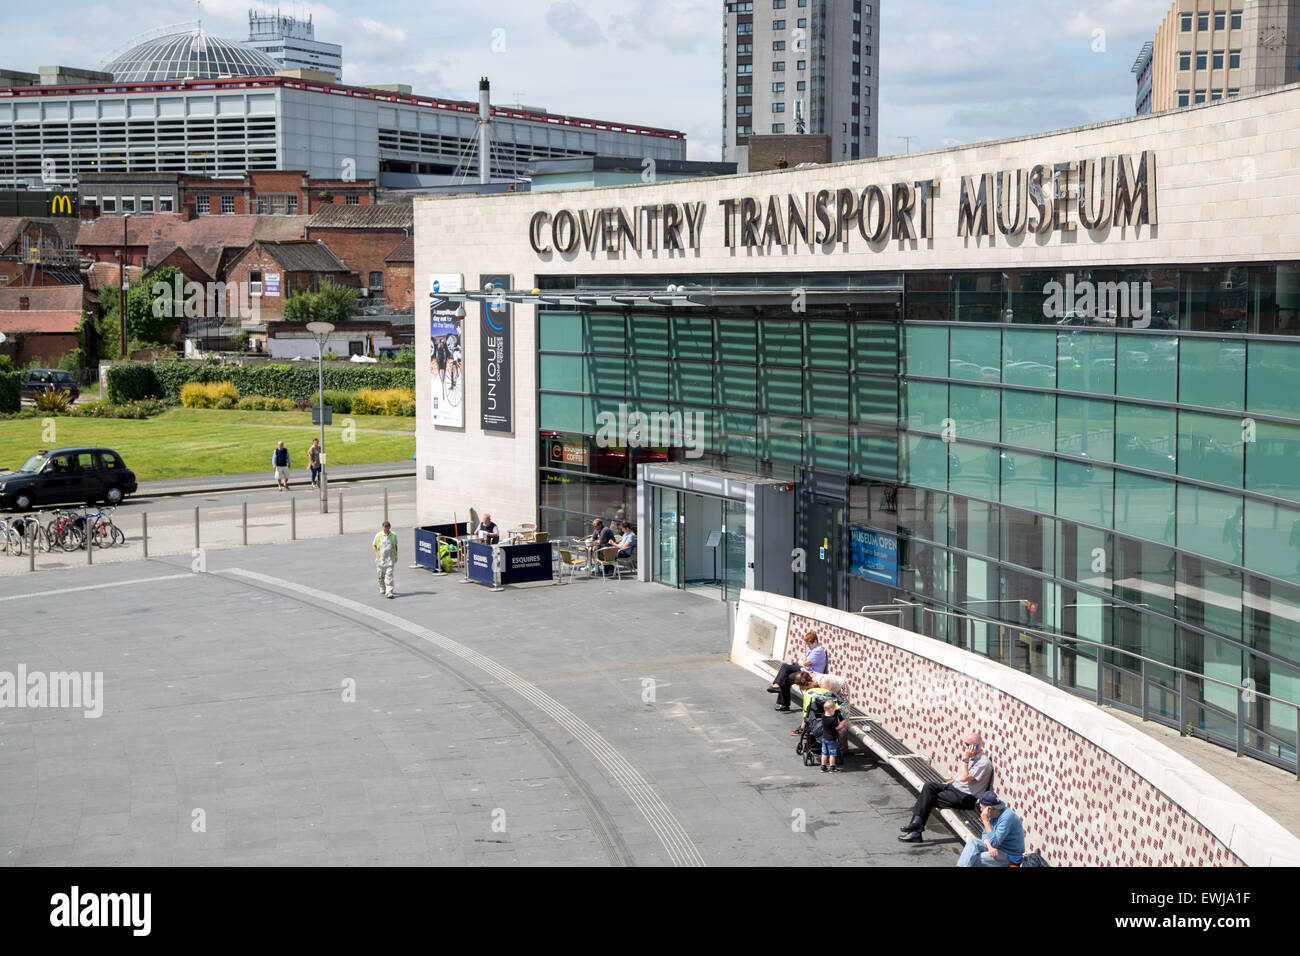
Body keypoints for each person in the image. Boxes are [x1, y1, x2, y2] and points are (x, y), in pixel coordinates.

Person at [898, 731, 993, 843]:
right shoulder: (973, 757)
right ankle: (916, 826)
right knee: (929, 786)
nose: (966, 748)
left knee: (928, 798)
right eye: (965, 744)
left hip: (965, 797)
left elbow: (964, 778)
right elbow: (960, 778)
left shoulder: (983, 763)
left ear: (977, 745)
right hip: (955, 789)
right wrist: (950, 782)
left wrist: (965, 759)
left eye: (968, 745)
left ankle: (916, 829)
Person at [956, 791, 1025, 867]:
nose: (981, 811)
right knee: (973, 842)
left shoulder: (1007, 818)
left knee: (974, 858)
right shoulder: (994, 814)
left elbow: (994, 842)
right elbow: (985, 835)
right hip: (996, 849)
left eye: (982, 808)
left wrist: (985, 820)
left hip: (1010, 856)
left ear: (989, 809)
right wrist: (990, 848)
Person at [767, 631, 828, 712]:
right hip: (804, 669)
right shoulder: (811, 649)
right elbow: (801, 661)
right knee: (785, 666)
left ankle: (783, 703)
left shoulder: (818, 651)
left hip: (810, 674)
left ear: (815, 641)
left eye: (809, 644)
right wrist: (804, 663)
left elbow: (805, 662)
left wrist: (804, 659)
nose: (808, 646)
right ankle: (776, 685)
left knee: (786, 678)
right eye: (807, 644)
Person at [819, 699, 845, 774]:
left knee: (824, 753)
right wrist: (843, 722)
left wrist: (835, 708)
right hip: (832, 739)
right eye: (833, 709)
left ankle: (823, 767)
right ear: (831, 709)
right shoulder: (833, 719)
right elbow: (837, 728)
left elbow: (830, 712)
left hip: (824, 737)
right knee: (832, 753)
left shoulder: (823, 715)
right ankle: (832, 767)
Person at [373, 520, 398, 599]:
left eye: (387, 529)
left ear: (389, 528)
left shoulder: (394, 535)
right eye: (384, 529)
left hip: (390, 559)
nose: (385, 530)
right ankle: (382, 587)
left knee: (389, 576)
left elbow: (395, 545)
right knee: (380, 576)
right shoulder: (378, 535)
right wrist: (377, 555)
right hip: (381, 559)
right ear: (382, 528)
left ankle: (389, 592)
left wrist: (396, 555)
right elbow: (374, 545)